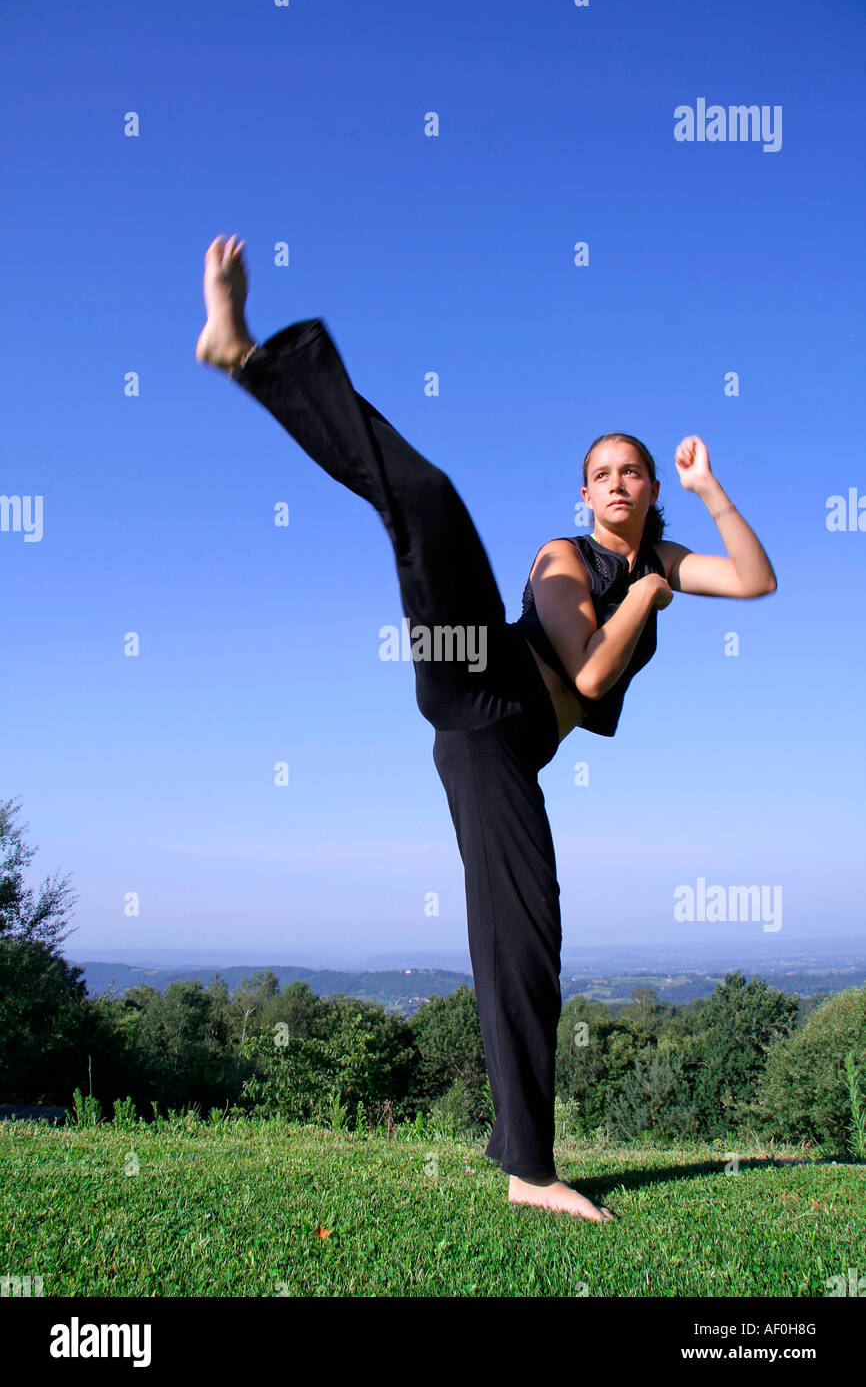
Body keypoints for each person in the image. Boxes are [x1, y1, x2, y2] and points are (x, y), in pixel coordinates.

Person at [196, 234, 778, 1220]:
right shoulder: (563, 557)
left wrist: (711, 493)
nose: (620, 481)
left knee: (525, 931)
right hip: (478, 681)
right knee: (425, 497)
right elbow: (590, 669)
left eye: (634, 471)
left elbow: (756, 579)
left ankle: (526, 1168)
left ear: (652, 490)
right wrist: (646, 591)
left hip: (509, 751)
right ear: (582, 494)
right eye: (602, 471)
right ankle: (245, 353)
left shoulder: (664, 557)